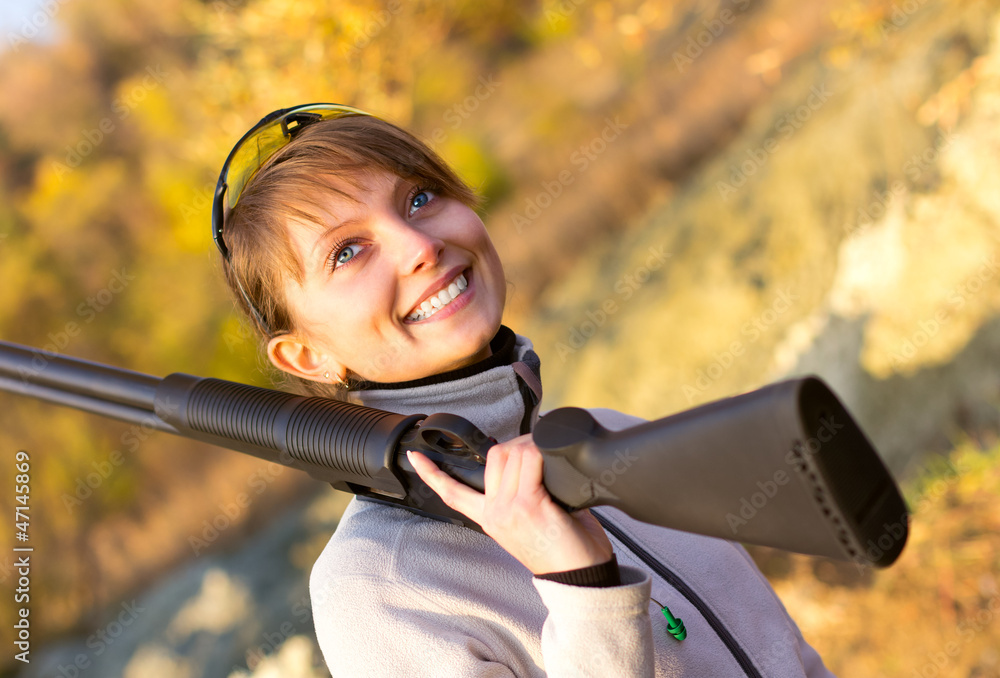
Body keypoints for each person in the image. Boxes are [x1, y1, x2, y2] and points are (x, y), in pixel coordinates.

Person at [212, 104, 835, 677]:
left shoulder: (609, 435)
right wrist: (583, 590)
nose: (420, 245)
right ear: (307, 355)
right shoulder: (376, 585)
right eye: (347, 252)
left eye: (420, 198)